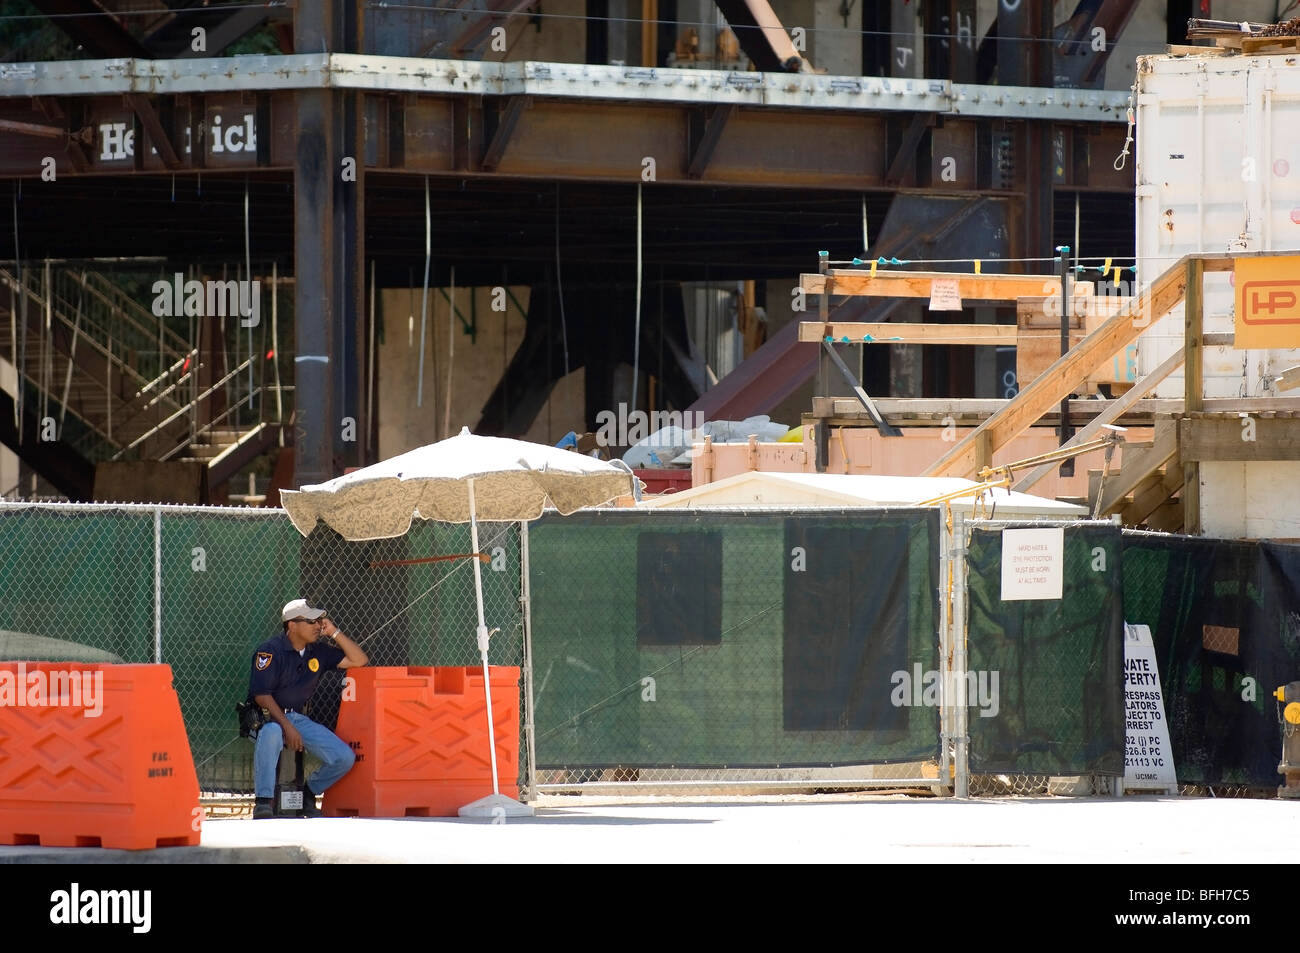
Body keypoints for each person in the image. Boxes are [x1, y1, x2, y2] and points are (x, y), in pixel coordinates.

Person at [247, 598, 368, 819]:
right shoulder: (270, 651)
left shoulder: (318, 651)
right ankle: (263, 802)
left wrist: (333, 632)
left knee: (344, 757)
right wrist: (287, 727)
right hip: (267, 719)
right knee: (273, 733)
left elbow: (359, 659)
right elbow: (262, 696)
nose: (317, 625)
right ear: (292, 625)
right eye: (311, 621)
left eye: (319, 620)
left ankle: (308, 795)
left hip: (297, 719)